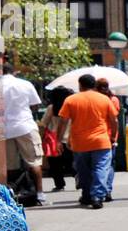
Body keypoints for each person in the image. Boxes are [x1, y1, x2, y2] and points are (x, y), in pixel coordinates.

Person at [58, 73, 116, 209]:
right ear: (94, 85)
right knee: (101, 168)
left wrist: (59, 139)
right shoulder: (104, 99)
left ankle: (86, 195)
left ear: (80, 85)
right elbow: (114, 120)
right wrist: (113, 136)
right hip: (101, 141)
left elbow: (63, 121)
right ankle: (97, 196)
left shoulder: (71, 100)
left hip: (80, 142)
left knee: (83, 170)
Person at [0, 63, 46, 205]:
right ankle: (40, 194)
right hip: (25, 125)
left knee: (10, 166)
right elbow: (35, 104)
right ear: (14, 72)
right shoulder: (24, 84)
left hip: (5, 129)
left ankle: (11, 194)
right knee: (34, 162)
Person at [40, 87, 73, 192]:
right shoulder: (71, 106)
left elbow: (44, 124)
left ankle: (59, 184)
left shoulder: (52, 108)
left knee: (55, 164)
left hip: (53, 139)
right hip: (69, 138)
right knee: (70, 161)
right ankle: (77, 177)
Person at [94, 78, 120, 202]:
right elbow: (115, 119)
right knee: (109, 165)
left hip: (97, 135)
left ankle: (100, 190)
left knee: (97, 166)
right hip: (109, 136)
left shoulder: (95, 100)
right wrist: (114, 136)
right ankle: (108, 190)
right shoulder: (113, 100)